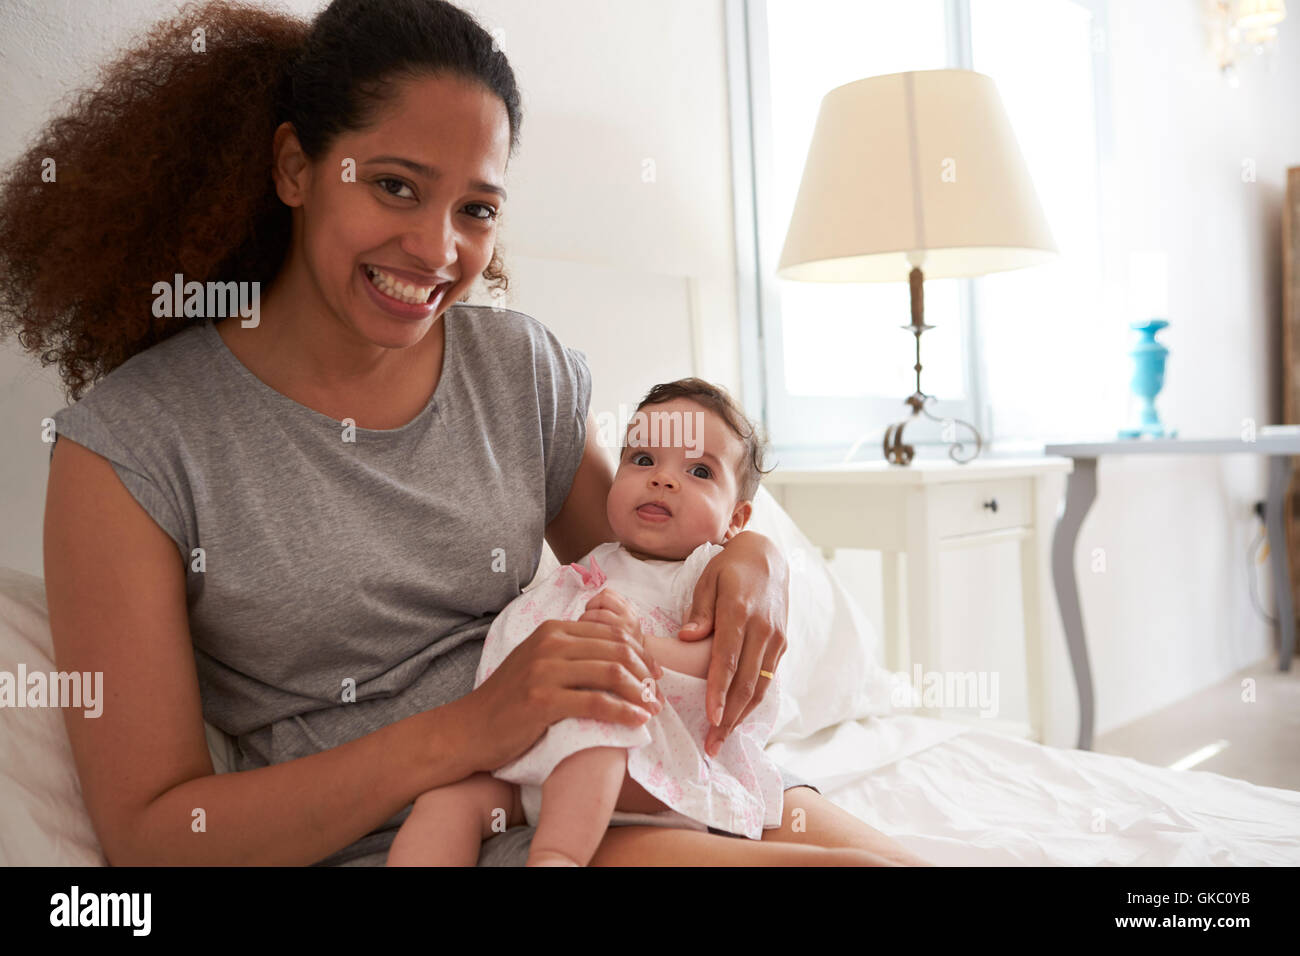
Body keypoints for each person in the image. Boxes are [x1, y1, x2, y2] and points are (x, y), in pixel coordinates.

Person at [3, 0, 927, 866]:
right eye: (396, 187)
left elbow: (638, 550)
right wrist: (471, 728)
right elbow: (154, 832)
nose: (439, 250)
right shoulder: (131, 445)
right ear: (294, 168)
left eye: (476, 209)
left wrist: (749, 555)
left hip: (619, 766)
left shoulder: (516, 370)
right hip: (446, 836)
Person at [389, 381, 794, 866]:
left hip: (651, 766)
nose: (663, 479)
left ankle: (558, 856)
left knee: (598, 736)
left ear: (736, 519)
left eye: (699, 471)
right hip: (546, 764)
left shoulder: (702, 574)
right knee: (448, 801)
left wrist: (638, 646)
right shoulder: (589, 567)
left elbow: (720, 662)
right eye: (643, 460)